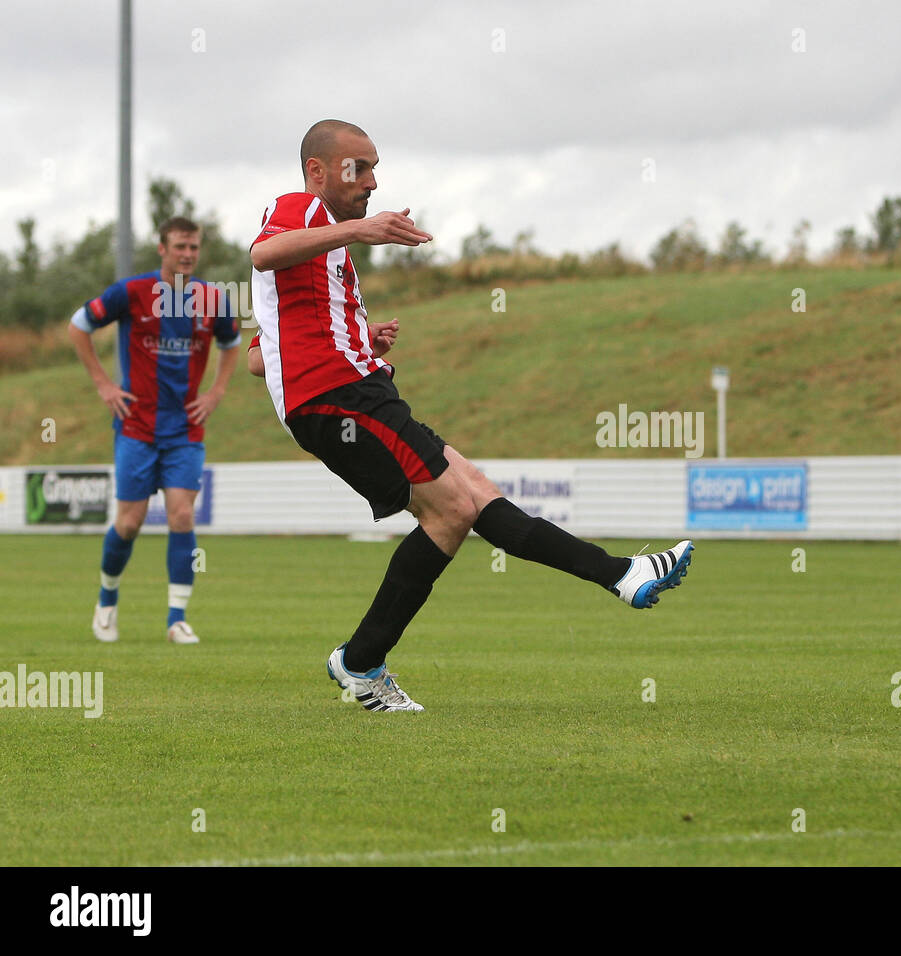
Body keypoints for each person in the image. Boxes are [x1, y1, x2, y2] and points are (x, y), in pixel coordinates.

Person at [248, 119, 693, 712]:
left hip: (349, 387)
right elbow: (261, 252)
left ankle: (622, 574)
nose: (373, 181)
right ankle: (360, 663)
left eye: (376, 167)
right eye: (360, 167)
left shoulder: (325, 247)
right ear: (318, 171)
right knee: (452, 510)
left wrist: (360, 337)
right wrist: (363, 231)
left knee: (475, 495)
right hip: (340, 398)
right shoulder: (300, 208)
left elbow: (261, 358)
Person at [69, 216, 241, 644]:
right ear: (162, 249)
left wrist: (217, 391)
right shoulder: (131, 293)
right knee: (129, 522)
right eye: (180, 246)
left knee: (182, 514)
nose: (187, 254)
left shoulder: (212, 299)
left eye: (194, 247)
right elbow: (79, 325)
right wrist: (103, 384)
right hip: (136, 426)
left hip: (185, 428)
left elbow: (232, 342)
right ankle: (106, 601)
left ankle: (177, 618)